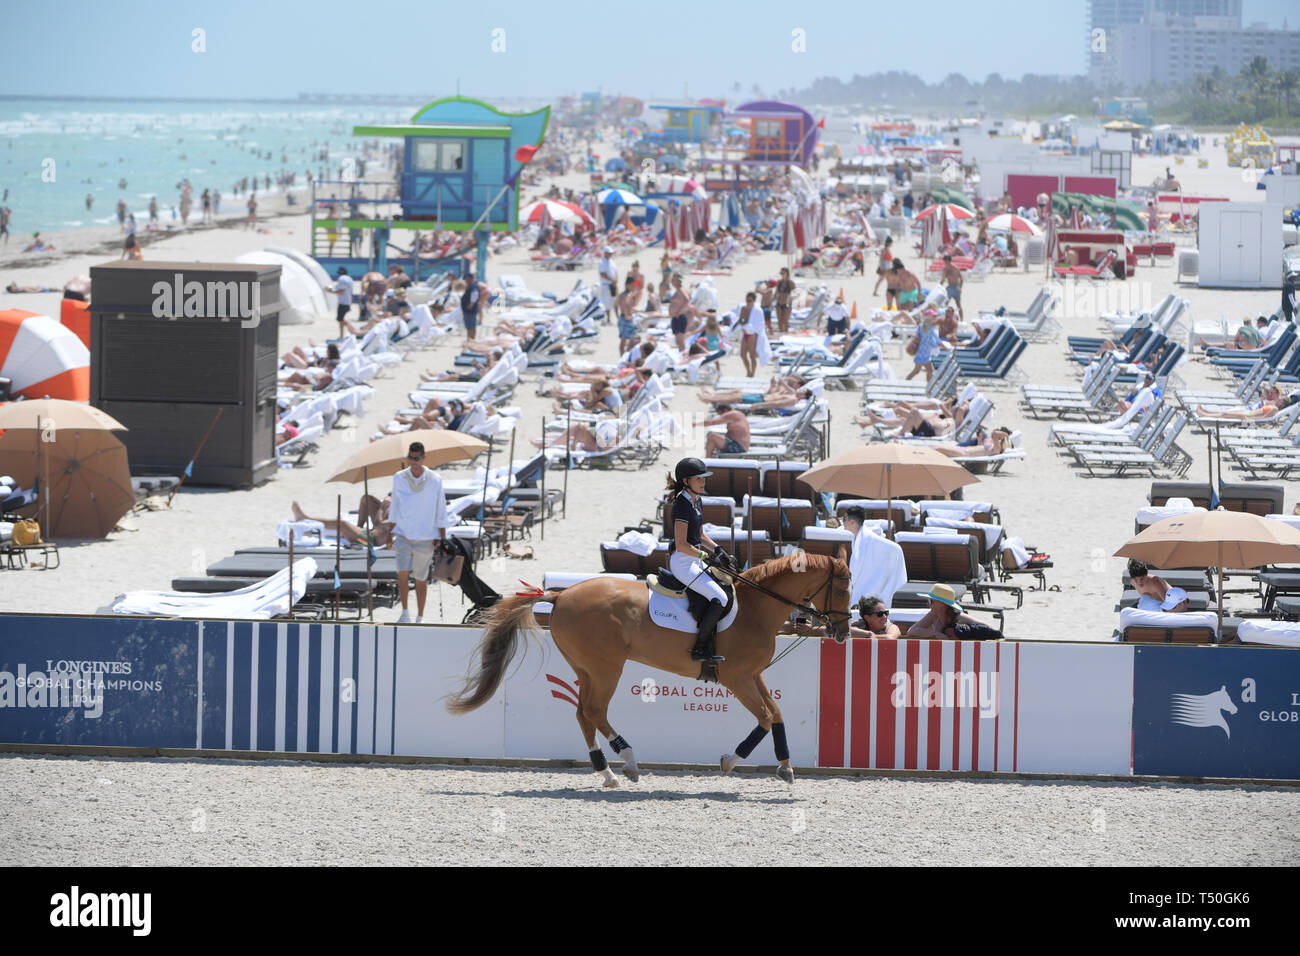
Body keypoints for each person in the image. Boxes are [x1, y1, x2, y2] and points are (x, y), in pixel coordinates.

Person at [666, 458, 729, 663]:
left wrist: (718, 549)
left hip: (693, 558)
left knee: (725, 585)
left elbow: (701, 536)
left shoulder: (697, 500)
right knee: (720, 598)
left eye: (704, 478)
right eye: (698, 479)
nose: (703, 482)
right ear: (686, 481)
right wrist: (706, 555)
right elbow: (682, 545)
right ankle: (700, 649)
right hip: (683, 562)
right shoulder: (682, 505)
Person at [388, 441, 451, 625]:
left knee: (421, 578)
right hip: (403, 534)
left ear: (423, 458)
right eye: (410, 458)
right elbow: (394, 506)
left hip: (425, 536)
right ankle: (405, 611)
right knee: (402, 573)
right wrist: (389, 533)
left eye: (416, 458)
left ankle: (420, 616)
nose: (413, 462)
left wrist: (442, 537)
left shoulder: (435, 479)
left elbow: (441, 509)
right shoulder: (399, 477)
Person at [906, 584, 1002, 640]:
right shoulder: (933, 615)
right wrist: (935, 633)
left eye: (931, 601)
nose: (929, 604)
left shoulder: (959, 618)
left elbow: (989, 628)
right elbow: (911, 631)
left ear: (942, 604)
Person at [1197, 385, 1297, 421]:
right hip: (1249, 413)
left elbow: (1264, 418)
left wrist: (1250, 418)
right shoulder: (1272, 405)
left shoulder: (1275, 409)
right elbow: (1262, 409)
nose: (1278, 399)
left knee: (1226, 414)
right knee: (1225, 413)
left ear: (1282, 404)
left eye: (1280, 400)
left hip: (1249, 414)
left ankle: (1204, 415)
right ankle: (1206, 412)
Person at [906, 312, 941, 382]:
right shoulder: (930, 328)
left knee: (920, 370)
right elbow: (935, 340)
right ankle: (928, 387)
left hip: (920, 352)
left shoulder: (921, 326)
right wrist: (945, 347)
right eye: (934, 317)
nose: (935, 318)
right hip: (925, 354)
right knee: (926, 371)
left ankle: (906, 382)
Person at [738, 291, 764, 377]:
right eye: (747, 300)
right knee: (742, 355)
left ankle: (752, 373)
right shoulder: (743, 309)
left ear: (753, 301)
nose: (748, 302)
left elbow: (760, 323)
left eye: (750, 301)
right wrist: (743, 323)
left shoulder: (757, 310)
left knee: (752, 355)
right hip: (745, 333)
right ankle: (748, 370)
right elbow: (740, 320)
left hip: (752, 335)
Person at [329, 267, 358, 337]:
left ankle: (352, 330)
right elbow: (351, 293)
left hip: (342, 302)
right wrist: (350, 304)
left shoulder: (341, 279)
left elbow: (341, 292)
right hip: (347, 302)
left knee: (340, 320)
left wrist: (331, 291)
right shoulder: (350, 279)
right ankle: (342, 335)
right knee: (341, 320)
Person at [616, 276, 640, 354]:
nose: (633, 287)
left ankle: (622, 356)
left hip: (621, 318)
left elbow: (615, 305)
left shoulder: (621, 294)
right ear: (627, 285)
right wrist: (627, 315)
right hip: (627, 319)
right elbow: (626, 304)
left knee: (623, 340)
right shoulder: (628, 295)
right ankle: (627, 356)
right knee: (633, 339)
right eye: (632, 285)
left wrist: (617, 315)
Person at [460, 277, 486, 341]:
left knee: (470, 326)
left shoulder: (473, 286)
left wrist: (471, 304)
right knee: (472, 325)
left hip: (470, 310)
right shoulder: (473, 285)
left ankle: (470, 340)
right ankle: (471, 339)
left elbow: (475, 294)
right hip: (471, 309)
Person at [597, 247, 617, 324]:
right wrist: (612, 280)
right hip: (605, 285)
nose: (610, 255)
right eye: (609, 253)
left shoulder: (612, 262)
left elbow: (615, 271)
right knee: (604, 303)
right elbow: (602, 274)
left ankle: (609, 319)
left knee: (611, 302)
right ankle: (604, 319)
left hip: (612, 285)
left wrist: (616, 279)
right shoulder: (601, 262)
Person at [941, 254, 963, 320]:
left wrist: (960, 288)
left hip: (956, 287)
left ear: (948, 261)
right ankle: (945, 319)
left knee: (958, 304)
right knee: (945, 304)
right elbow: (943, 280)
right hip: (949, 287)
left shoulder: (955, 268)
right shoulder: (945, 269)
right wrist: (939, 287)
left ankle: (961, 320)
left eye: (945, 261)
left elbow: (961, 279)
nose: (944, 262)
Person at [774, 267, 794, 333]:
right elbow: (776, 292)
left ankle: (786, 333)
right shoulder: (779, 282)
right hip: (779, 303)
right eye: (781, 273)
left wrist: (791, 299)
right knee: (779, 320)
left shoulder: (790, 283)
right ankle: (781, 333)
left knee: (785, 320)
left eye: (783, 273)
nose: (782, 274)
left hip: (787, 303)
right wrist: (771, 301)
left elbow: (795, 292)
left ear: (787, 274)